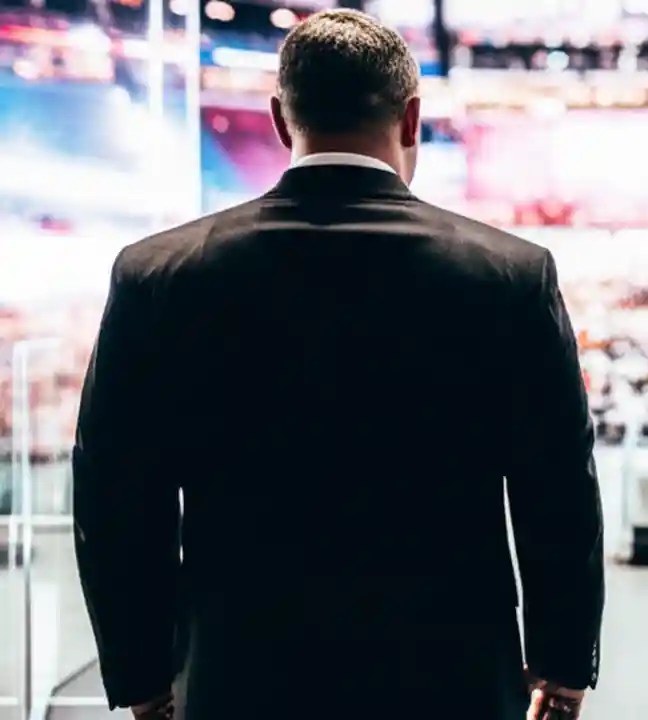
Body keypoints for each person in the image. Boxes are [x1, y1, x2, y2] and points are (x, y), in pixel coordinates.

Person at [72, 10, 603, 720]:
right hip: (452, 673)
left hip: (240, 670)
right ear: (411, 119)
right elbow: (558, 489)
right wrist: (562, 665)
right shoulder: (510, 275)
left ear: (279, 120)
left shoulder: (159, 274)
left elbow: (114, 495)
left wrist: (141, 677)